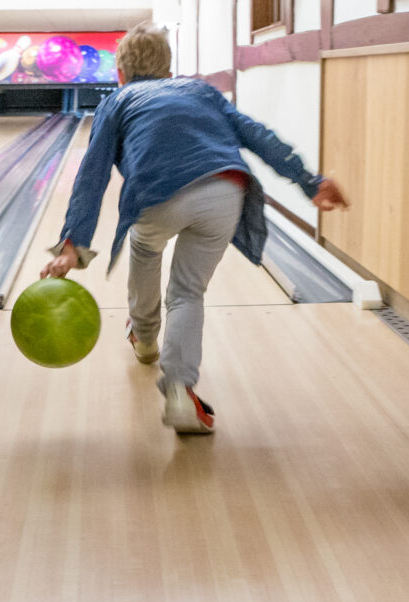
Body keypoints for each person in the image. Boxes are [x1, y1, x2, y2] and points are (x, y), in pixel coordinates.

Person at [41, 24, 348, 435]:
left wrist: (73, 243)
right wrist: (309, 180)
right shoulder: (201, 91)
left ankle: (145, 338)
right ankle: (181, 391)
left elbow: (92, 174)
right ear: (169, 70)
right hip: (225, 189)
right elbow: (256, 135)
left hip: (156, 194)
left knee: (145, 249)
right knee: (188, 291)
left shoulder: (117, 100)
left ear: (120, 73)